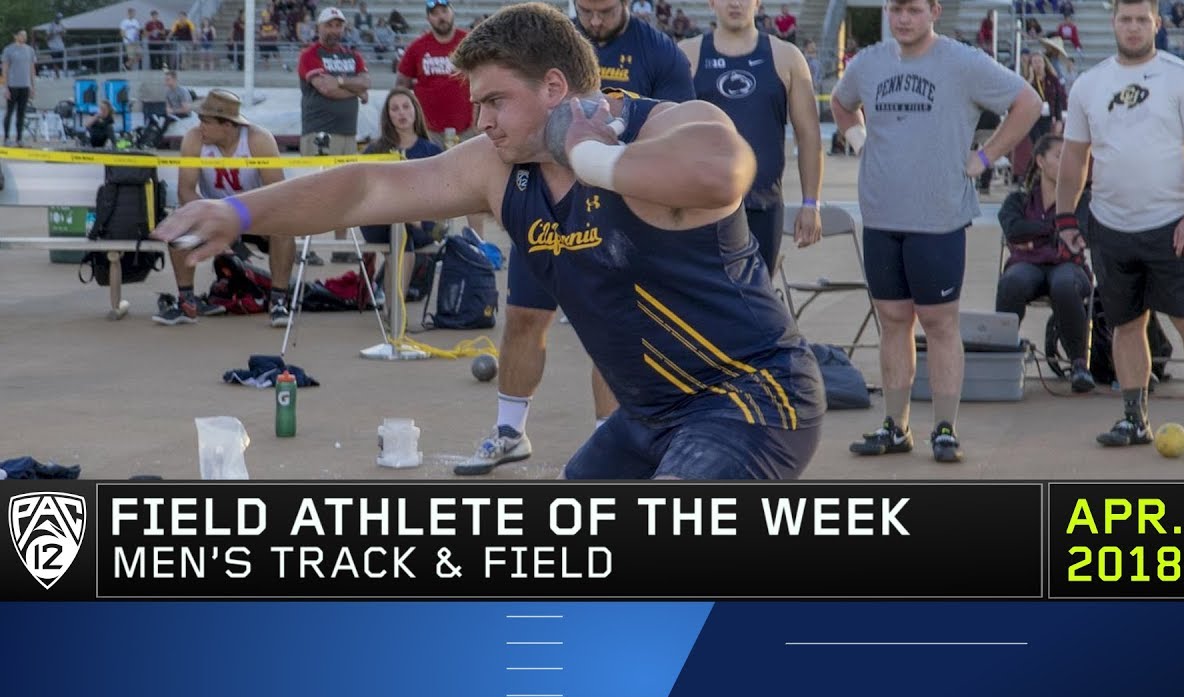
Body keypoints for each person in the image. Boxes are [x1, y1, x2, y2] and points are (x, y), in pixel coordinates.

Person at [153, 3, 825, 480]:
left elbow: (724, 169)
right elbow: (365, 190)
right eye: (477, 105)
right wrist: (237, 212)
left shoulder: (661, 128)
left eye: (496, 101)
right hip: (651, 414)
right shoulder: (498, 166)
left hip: (750, 397)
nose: (482, 122)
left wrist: (591, 159)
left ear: (555, 87)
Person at [454, 0, 700, 476]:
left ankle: (610, 435)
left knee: (613, 325)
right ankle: (509, 430)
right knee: (524, 315)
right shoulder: (550, 41)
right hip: (544, 201)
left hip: (615, 210)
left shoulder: (659, 53)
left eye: (604, 10)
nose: (594, 20)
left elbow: (677, 130)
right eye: (585, 10)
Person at [831, 0, 1040, 463]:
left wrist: (985, 157)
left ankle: (944, 428)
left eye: (913, 9)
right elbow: (841, 105)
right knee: (893, 322)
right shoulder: (869, 63)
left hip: (937, 216)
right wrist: (859, 139)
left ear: (934, 11)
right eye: (896, 9)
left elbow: (1028, 102)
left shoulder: (961, 62)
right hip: (883, 216)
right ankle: (896, 424)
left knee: (940, 323)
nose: (903, 18)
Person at [1056, 0, 1184, 452]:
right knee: (1125, 324)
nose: (1134, 27)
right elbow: (1075, 158)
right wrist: (1065, 217)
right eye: (1126, 19)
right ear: (1113, 24)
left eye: (1143, 19)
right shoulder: (1089, 84)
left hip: (1171, 227)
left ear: (1156, 23)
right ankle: (1134, 417)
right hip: (1110, 225)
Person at [681, 0, 824, 276]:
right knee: (705, 304)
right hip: (702, 206)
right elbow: (667, 135)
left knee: (757, 302)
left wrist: (811, 204)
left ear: (758, 3)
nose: (735, 3)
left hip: (763, 204)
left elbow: (809, 136)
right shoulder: (687, 55)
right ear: (711, 3)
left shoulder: (787, 57)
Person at [152, 89, 294, 327]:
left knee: (284, 230)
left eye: (206, 121)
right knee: (177, 228)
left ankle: (279, 302)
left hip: (255, 213)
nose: (200, 126)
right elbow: (186, 191)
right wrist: (213, 221)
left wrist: (241, 218)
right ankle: (186, 303)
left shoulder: (259, 140)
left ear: (227, 124)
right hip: (213, 214)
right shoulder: (194, 139)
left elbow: (276, 192)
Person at [996, 133, 1095, 393]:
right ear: (1040, 161)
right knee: (1012, 282)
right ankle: (1001, 357)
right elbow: (1013, 228)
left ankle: (1078, 364)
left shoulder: (1082, 199)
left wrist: (1035, 234)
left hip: (1068, 266)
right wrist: (1057, 230)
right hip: (1028, 265)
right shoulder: (1019, 200)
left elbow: (1083, 231)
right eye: (1059, 157)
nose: (1066, 163)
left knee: (1064, 284)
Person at [395, 0, 486, 238]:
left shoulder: (468, 42)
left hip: (467, 128)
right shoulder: (417, 48)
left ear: (451, 12)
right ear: (428, 19)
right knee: (434, 187)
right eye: (434, 14)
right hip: (430, 131)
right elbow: (401, 84)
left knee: (472, 187)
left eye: (444, 11)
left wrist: (482, 115)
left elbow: (485, 77)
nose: (440, 17)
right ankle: (433, 240)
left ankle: (478, 243)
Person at [358, 87, 444, 301]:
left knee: (405, 236)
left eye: (406, 107)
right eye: (394, 109)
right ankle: (395, 311)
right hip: (380, 220)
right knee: (401, 228)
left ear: (415, 110)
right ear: (388, 115)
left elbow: (441, 194)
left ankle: (393, 310)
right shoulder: (375, 150)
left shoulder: (431, 151)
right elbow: (364, 192)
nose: (401, 113)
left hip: (419, 224)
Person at [297, 7, 371, 253]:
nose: (334, 30)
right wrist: (355, 89)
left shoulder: (353, 56)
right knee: (314, 191)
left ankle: (341, 247)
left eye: (338, 25)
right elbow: (324, 88)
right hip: (320, 132)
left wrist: (339, 81)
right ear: (319, 28)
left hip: (348, 133)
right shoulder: (310, 54)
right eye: (329, 25)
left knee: (344, 192)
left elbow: (367, 84)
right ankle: (309, 249)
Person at [1022, 50, 1066, 143]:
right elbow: (1023, 96)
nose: (1038, 65)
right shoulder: (1028, 81)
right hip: (1033, 118)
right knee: (1037, 143)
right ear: (1031, 65)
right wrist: (1030, 78)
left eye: (1040, 61)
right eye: (1035, 62)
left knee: (1046, 144)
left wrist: (1059, 120)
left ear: (1044, 63)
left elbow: (1059, 100)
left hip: (1048, 117)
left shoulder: (1053, 79)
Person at [3, 30, 37, 148]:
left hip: (25, 85)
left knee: (21, 113)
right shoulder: (8, 50)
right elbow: (5, 69)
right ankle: (7, 137)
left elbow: (32, 69)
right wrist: (5, 88)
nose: (24, 37)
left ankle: (19, 139)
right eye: (22, 35)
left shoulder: (30, 50)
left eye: (25, 35)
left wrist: (33, 86)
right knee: (10, 112)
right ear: (15, 36)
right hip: (13, 86)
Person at [46, 13, 67, 77]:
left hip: (61, 47)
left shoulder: (62, 25)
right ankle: (57, 75)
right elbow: (47, 38)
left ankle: (61, 74)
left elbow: (64, 36)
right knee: (55, 62)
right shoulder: (51, 26)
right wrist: (54, 33)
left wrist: (61, 33)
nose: (59, 19)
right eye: (58, 18)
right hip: (53, 47)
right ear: (55, 18)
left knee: (61, 62)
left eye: (60, 18)